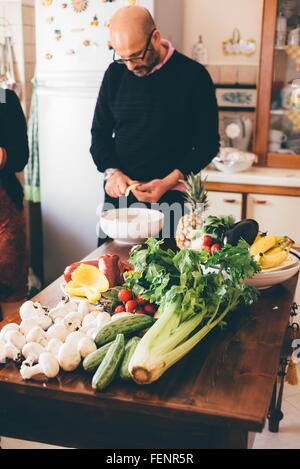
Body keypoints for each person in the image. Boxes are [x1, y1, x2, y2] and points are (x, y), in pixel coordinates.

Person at [90, 5, 219, 243]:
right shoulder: (114, 74)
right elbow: (99, 133)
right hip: (120, 201)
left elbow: (208, 144)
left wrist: (170, 181)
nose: (130, 65)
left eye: (137, 56)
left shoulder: (193, 76)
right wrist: (112, 172)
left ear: (156, 38)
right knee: (109, 271)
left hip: (170, 201)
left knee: (167, 274)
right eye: (123, 57)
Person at [0, 89, 29, 319]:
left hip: (5, 215)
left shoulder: (5, 99)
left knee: (12, 295)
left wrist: (4, 154)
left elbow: (21, 157)